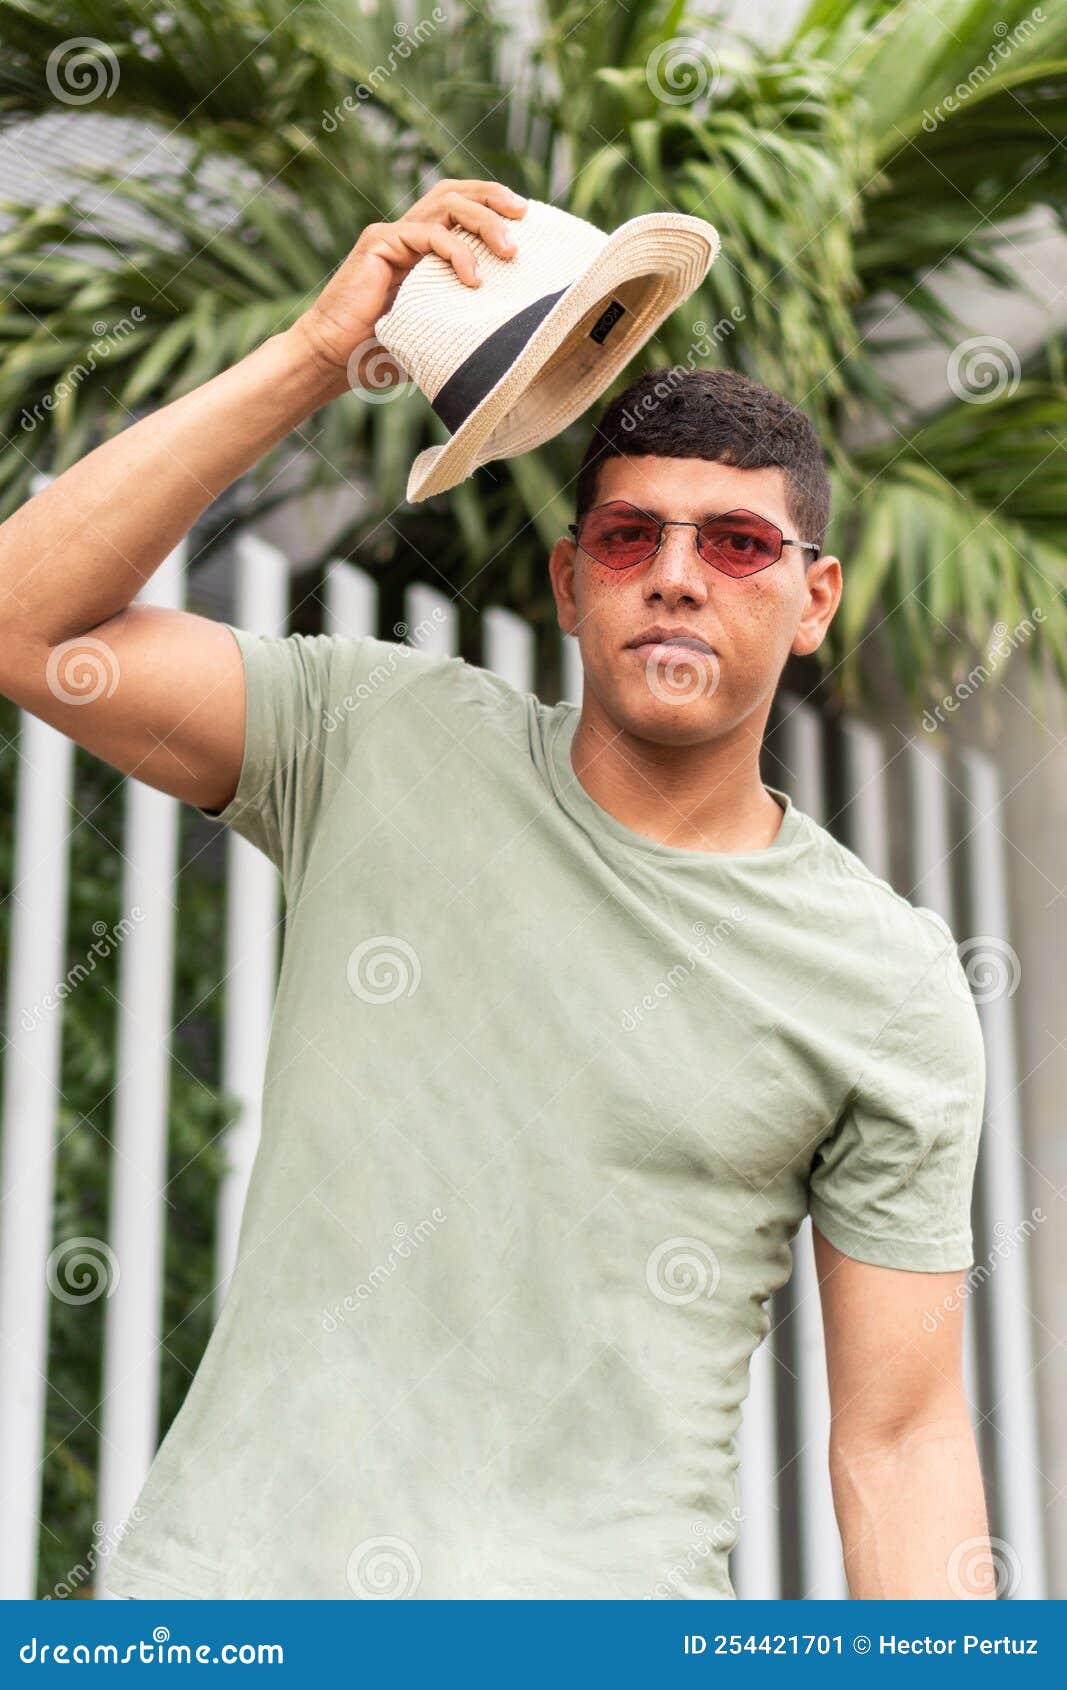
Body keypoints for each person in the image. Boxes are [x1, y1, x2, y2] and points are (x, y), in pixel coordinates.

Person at [0, 180, 991, 1601]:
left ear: (814, 596)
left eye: (738, 543)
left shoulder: (886, 978)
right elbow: (25, 621)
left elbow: (900, 1437)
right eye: (628, 537)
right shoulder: (371, 733)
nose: (676, 576)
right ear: (569, 580)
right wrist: (312, 357)